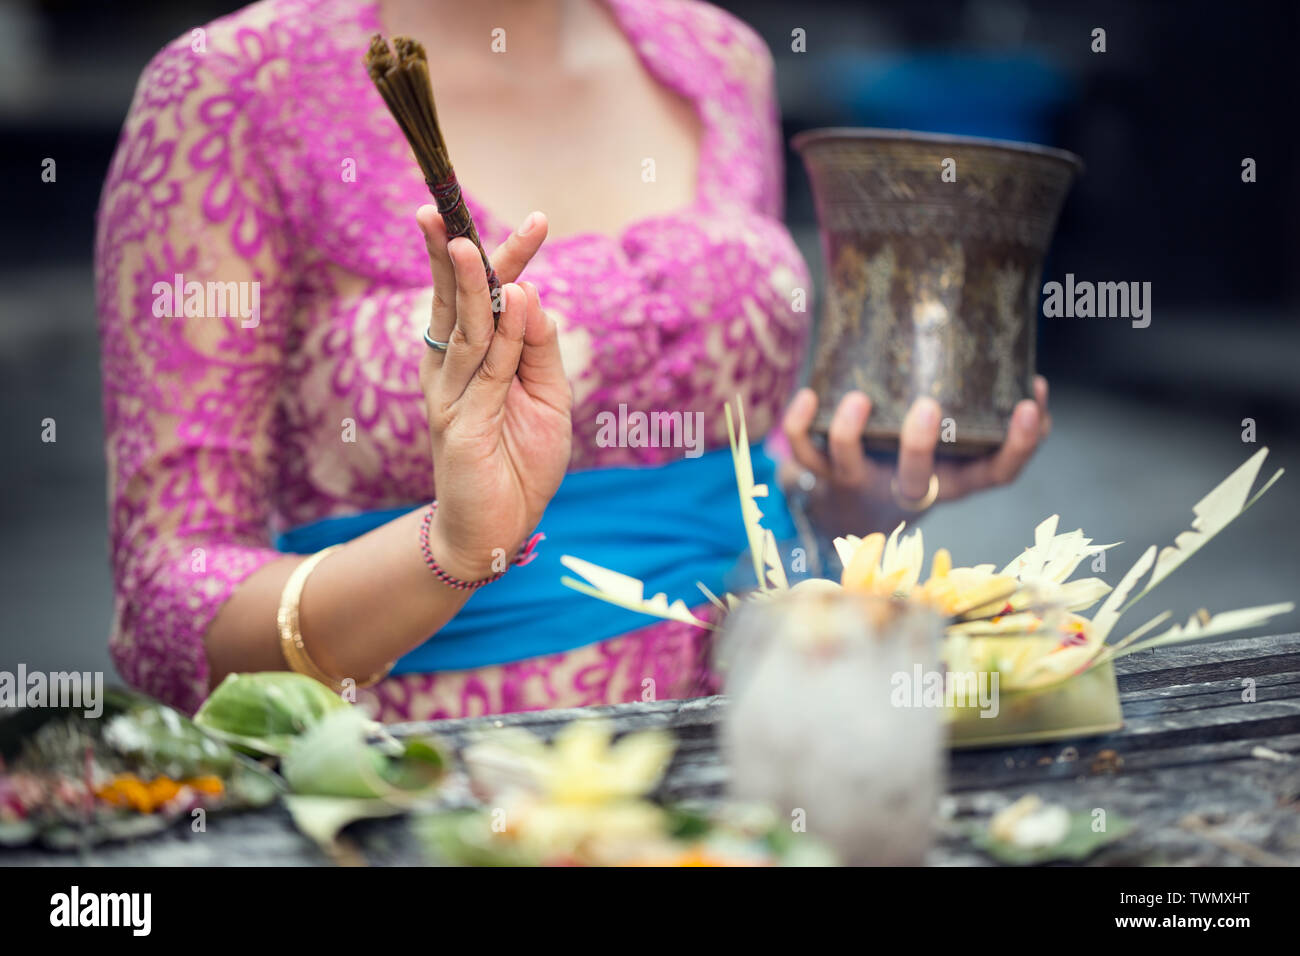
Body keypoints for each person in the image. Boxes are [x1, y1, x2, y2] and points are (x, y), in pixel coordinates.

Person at [95, 0, 1049, 719]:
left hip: (764, 756)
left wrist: (856, 496)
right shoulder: (230, 88)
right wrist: (450, 552)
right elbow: (166, 602)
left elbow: (735, 492)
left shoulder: (717, 58)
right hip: (438, 797)